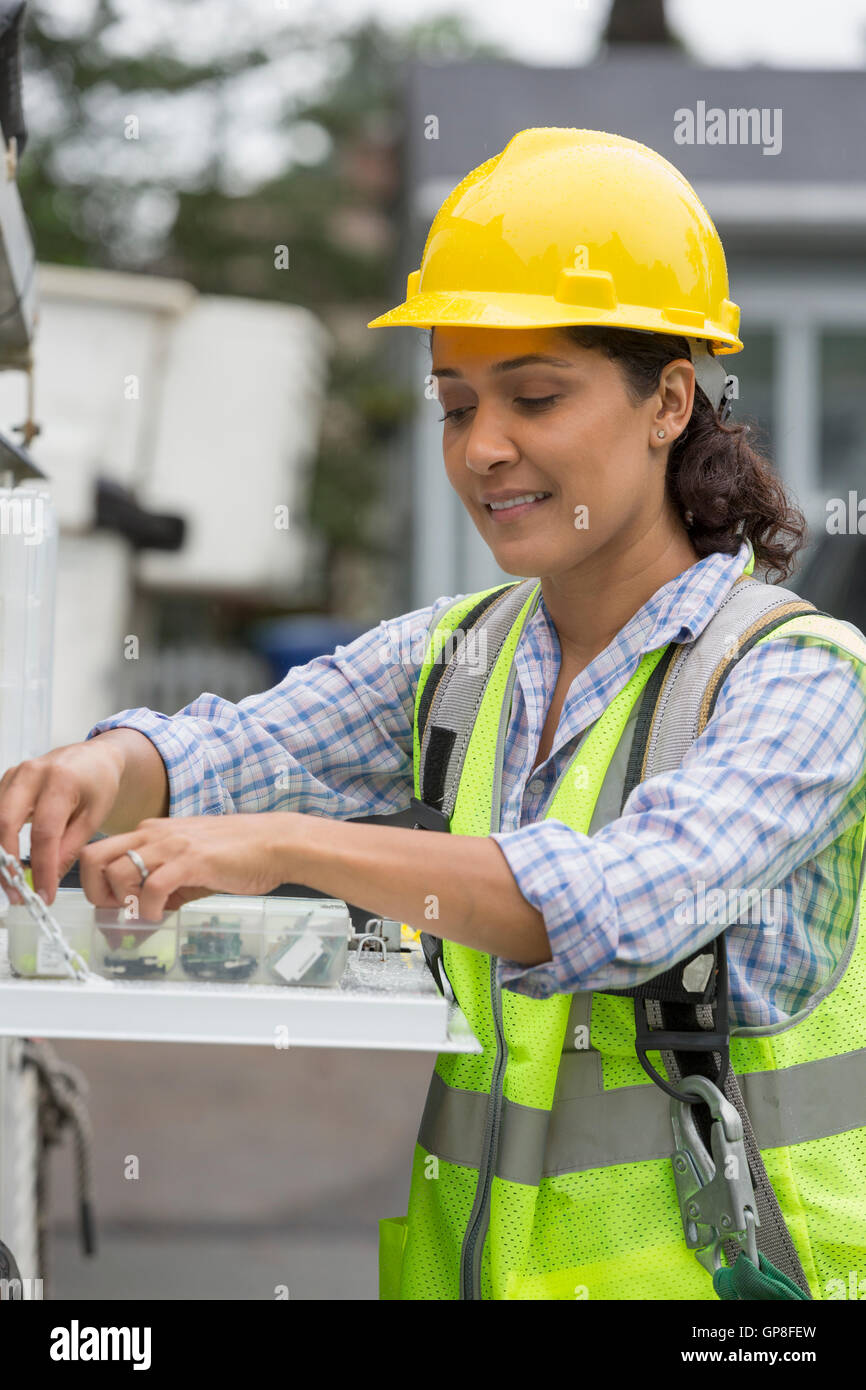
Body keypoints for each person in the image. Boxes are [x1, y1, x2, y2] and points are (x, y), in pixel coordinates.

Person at [2, 127, 866, 1301]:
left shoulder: (801, 679)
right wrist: (108, 764)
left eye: (535, 396)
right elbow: (242, 750)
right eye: (457, 404)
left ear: (668, 400)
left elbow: (617, 904)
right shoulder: (460, 655)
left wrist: (283, 850)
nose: (483, 448)